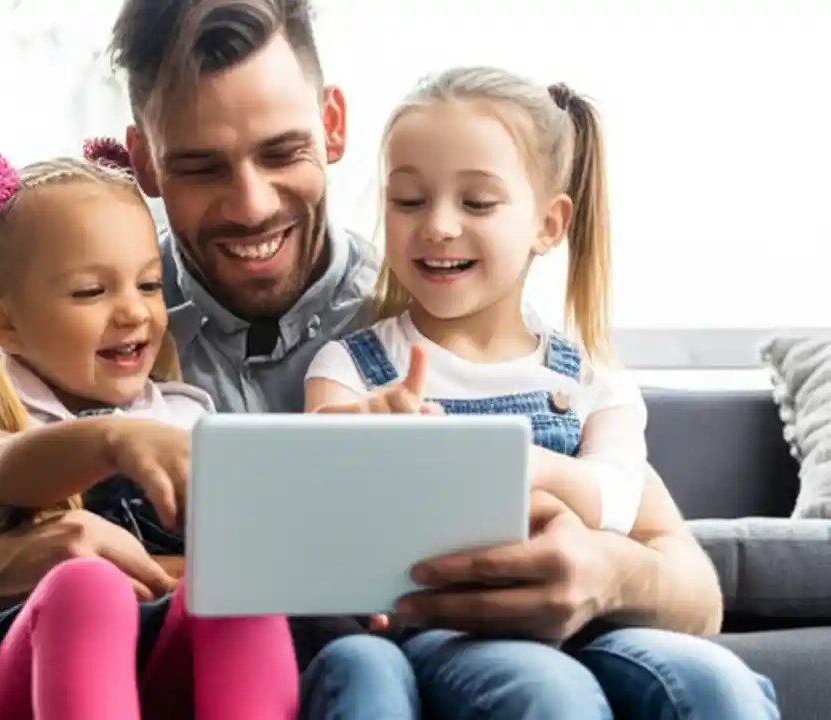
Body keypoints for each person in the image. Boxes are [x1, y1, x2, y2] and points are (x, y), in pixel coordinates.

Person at [0, 2, 752, 718]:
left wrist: (608, 578)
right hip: (50, 673)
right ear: (146, 159)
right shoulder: (69, 313)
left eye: (283, 152)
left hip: (314, 684)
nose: (249, 204)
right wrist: (3, 568)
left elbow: (685, 576)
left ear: (337, 128)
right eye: (201, 165)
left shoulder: (417, 310)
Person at [300, 66, 781, 719]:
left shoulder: (589, 381)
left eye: (476, 203)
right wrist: (366, 440)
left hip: (601, 625)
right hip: (443, 632)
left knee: (717, 685)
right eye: (408, 200)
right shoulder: (353, 367)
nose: (437, 225)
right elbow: (310, 511)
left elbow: (617, 496)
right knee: (550, 694)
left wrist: (510, 465)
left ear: (548, 225)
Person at [0, 144, 298, 720]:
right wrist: (112, 440)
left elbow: (242, 548)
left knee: (239, 591)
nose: (134, 312)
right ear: (5, 321)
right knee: (86, 588)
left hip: (157, 671)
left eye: (148, 285)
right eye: (92, 291)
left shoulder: (187, 415)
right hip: (26, 675)